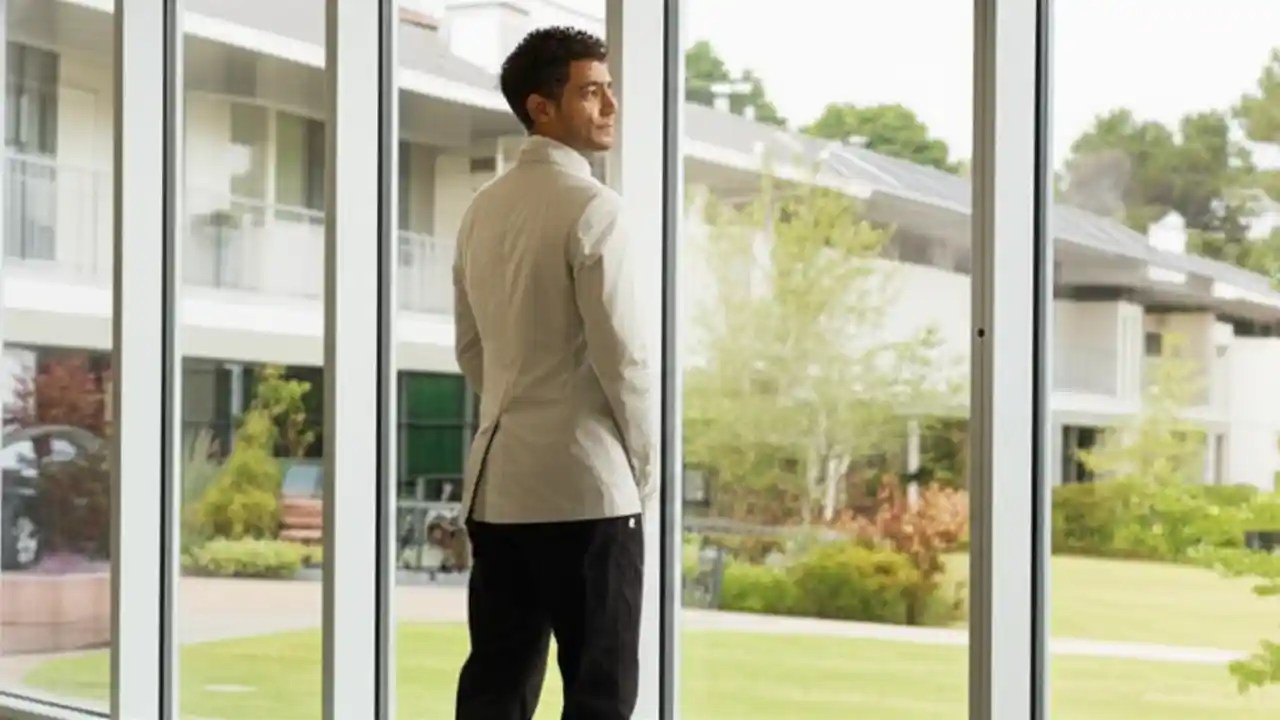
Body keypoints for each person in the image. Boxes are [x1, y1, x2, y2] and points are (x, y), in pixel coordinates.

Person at [451, 25, 657, 720]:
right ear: (542, 107)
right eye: (591, 91)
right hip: (589, 493)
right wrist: (643, 472)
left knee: (495, 690)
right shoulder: (595, 209)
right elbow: (626, 360)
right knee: (599, 696)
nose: (610, 106)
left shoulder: (482, 211)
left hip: (501, 491)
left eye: (609, 90)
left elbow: (472, 349)